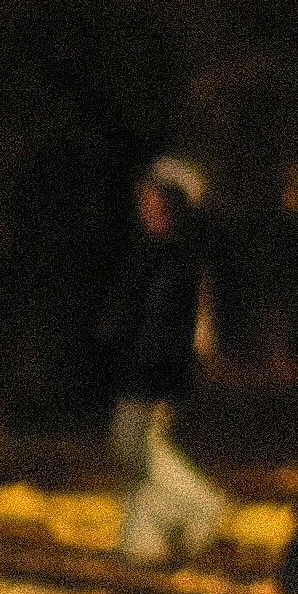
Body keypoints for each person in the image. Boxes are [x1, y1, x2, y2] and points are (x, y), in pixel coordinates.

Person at [103, 158, 231, 570]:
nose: (143, 201)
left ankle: (202, 505)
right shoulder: (149, 248)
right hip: (140, 366)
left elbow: (186, 324)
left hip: (158, 371)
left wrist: (171, 372)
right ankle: (143, 540)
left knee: (137, 448)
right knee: (133, 450)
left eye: (152, 195)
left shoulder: (180, 256)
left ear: (171, 202)